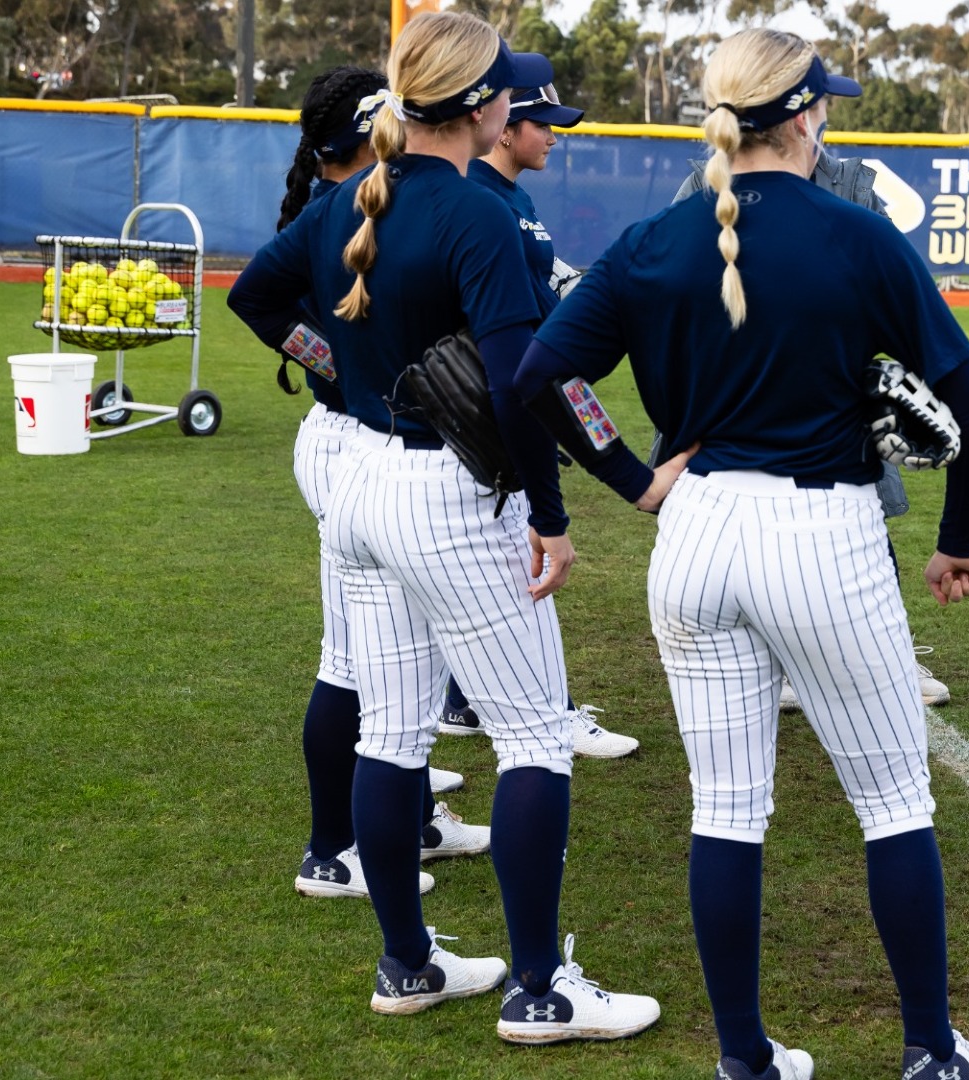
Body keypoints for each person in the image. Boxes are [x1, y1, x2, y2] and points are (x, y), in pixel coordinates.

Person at [516, 28, 969, 1080]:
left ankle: (746, 1058)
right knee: (894, 804)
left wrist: (638, 482)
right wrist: (956, 541)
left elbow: (542, 376)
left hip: (694, 537)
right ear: (804, 118)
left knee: (727, 809)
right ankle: (932, 1054)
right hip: (821, 534)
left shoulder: (656, 237)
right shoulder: (856, 234)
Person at [228, 12, 661, 1043]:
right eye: (507, 89)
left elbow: (254, 294)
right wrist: (558, 513)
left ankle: (409, 965)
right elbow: (521, 382)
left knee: (391, 733)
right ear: (478, 106)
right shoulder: (474, 216)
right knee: (534, 741)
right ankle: (542, 990)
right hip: (447, 495)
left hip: (361, 483)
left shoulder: (352, 202)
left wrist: (331, 362)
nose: (518, 104)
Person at [271, 65, 487, 901]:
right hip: (353, 439)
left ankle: (409, 822)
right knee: (353, 661)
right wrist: (332, 370)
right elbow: (259, 302)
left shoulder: (367, 199)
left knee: (397, 660)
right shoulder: (341, 208)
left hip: (364, 442)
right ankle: (332, 850)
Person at [671, 133, 953, 713]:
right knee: (733, 529)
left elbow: (891, 293)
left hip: (830, 398)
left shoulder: (851, 184)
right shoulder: (706, 183)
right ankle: (768, 664)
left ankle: (888, 652)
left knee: (861, 524)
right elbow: (672, 288)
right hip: (736, 394)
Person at [436, 71, 639, 758]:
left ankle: (465, 700)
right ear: (504, 119)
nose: (554, 137)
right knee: (517, 573)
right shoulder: (478, 199)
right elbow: (510, 346)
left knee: (492, 580)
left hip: (497, 410)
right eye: (545, 123)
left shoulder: (510, 198)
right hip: (483, 419)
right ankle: (546, 711)